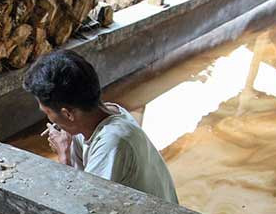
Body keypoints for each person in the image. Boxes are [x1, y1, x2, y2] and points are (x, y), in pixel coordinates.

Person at [23, 50, 178, 203]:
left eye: (47, 112)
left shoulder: (113, 142)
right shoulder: (97, 115)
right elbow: (83, 181)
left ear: (68, 114)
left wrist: (64, 156)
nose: (50, 119)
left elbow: (81, 207)